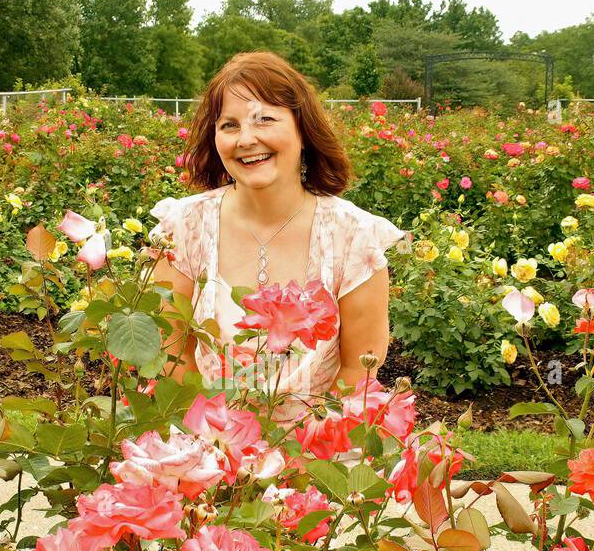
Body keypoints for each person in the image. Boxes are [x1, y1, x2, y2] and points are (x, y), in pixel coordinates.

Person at [149, 51, 408, 425]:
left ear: (302, 130)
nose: (247, 139)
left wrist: (298, 463)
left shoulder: (355, 237)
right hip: (206, 443)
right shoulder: (183, 228)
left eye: (264, 119)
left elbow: (357, 374)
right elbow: (173, 357)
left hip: (319, 453)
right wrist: (219, 449)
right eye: (229, 125)